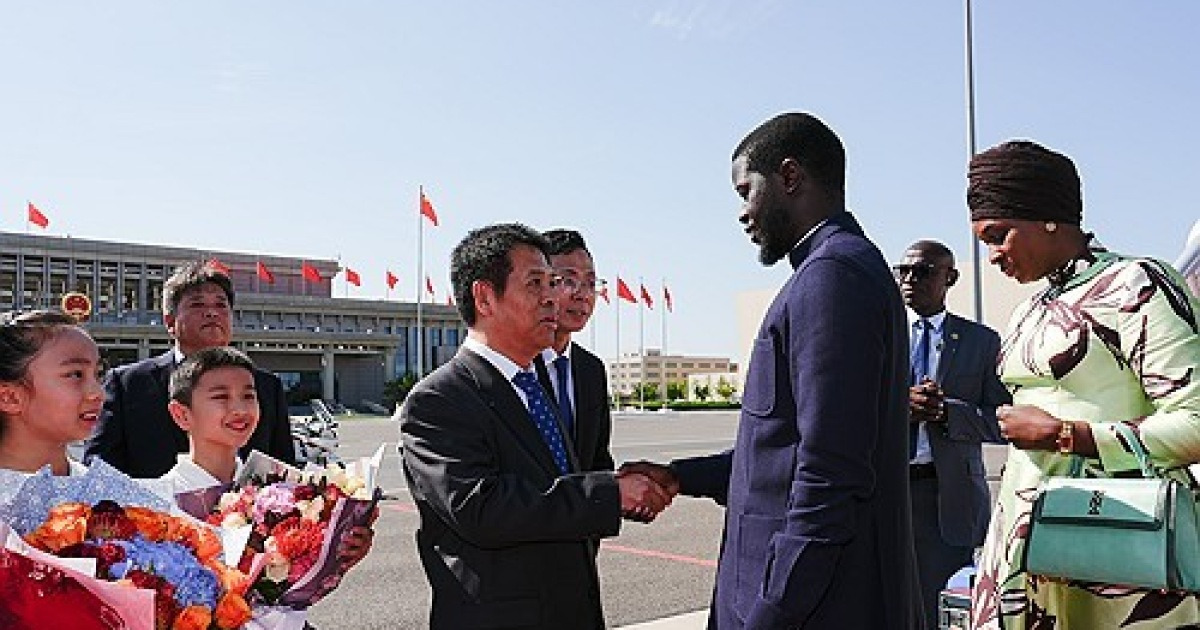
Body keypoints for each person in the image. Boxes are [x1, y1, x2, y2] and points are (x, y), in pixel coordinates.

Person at [624, 112, 921, 629]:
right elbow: (785, 449)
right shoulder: (835, 270)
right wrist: (681, 476)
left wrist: (773, 611)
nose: (742, 213)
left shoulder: (831, 277)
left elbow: (831, 475)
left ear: (789, 176)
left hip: (815, 610)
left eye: (746, 191)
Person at [966, 140, 1200, 629]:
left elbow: (1196, 423)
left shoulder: (1135, 285)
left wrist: (1065, 435)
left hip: (1118, 549)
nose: (991, 256)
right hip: (1030, 542)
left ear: (1048, 217)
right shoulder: (1031, 309)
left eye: (999, 235)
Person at [397, 223, 671, 630]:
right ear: (485, 297)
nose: (552, 298)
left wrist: (622, 490)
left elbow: (565, 483)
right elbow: (481, 507)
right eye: (536, 283)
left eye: (552, 282)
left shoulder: (538, 387)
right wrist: (608, 493)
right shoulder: (439, 400)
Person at [161, 346, 374, 628]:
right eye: (221, 397)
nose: (239, 409)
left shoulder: (285, 491)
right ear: (181, 415)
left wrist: (341, 551)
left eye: (249, 396)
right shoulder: (159, 503)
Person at [85, 260, 295, 477]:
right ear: (170, 322)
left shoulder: (266, 386)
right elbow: (100, 469)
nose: (212, 313)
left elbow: (284, 474)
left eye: (221, 305)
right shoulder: (128, 384)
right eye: (197, 305)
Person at [894, 239, 1009, 629]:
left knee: (942, 607)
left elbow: (1001, 420)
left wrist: (947, 412)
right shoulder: (874, 334)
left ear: (950, 277)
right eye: (903, 270)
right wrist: (897, 407)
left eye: (923, 271)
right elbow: (843, 407)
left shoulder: (981, 342)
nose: (910, 279)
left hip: (948, 498)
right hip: (884, 490)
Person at [0, 310, 104, 506]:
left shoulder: (110, 494)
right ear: (10, 397)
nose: (97, 393)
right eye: (75, 375)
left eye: (97, 374)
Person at [534, 229, 614, 474]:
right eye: (568, 281)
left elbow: (599, 461)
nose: (583, 295)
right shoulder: (517, 368)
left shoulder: (591, 369)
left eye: (591, 284)